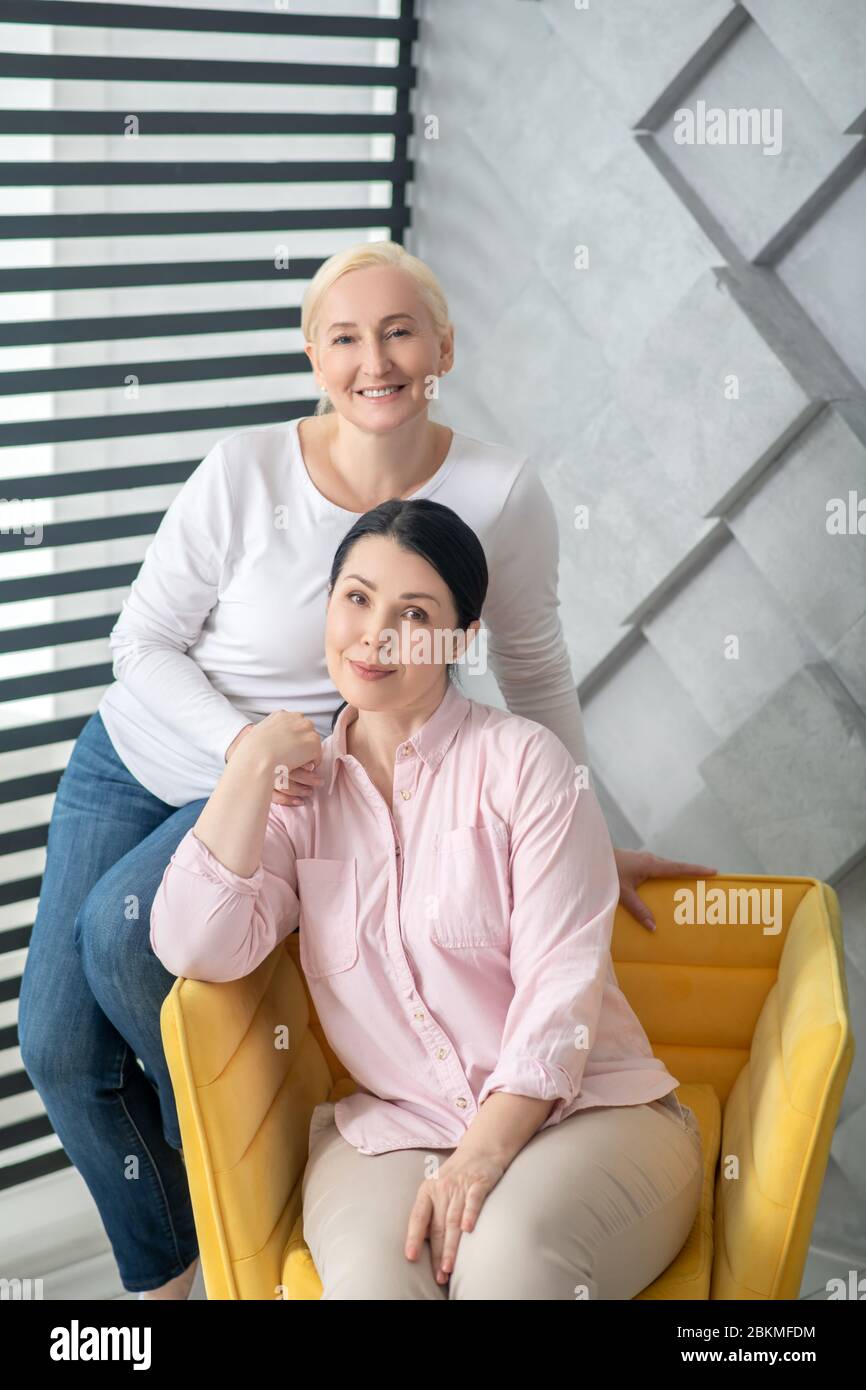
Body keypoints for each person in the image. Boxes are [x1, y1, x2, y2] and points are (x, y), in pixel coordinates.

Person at [18, 239, 713, 1299]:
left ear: (442, 346)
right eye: (343, 335)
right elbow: (142, 642)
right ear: (310, 350)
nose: (374, 359)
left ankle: (228, 1175)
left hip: (292, 773)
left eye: (399, 331)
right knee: (55, 1041)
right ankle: (173, 1271)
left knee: (127, 942)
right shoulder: (243, 472)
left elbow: (530, 663)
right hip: (169, 745)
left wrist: (577, 830)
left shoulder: (495, 492)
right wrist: (241, 753)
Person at [150, 498, 704, 1300]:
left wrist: (481, 1158)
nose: (374, 633)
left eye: (414, 613)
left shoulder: (526, 765)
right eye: (356, 597)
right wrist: (246, 768)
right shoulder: (299, 795)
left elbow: (562, 993)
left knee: (507, 1264)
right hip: (397, 1131)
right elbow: (191, 946)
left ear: (461, 637)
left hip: (588, 1112)